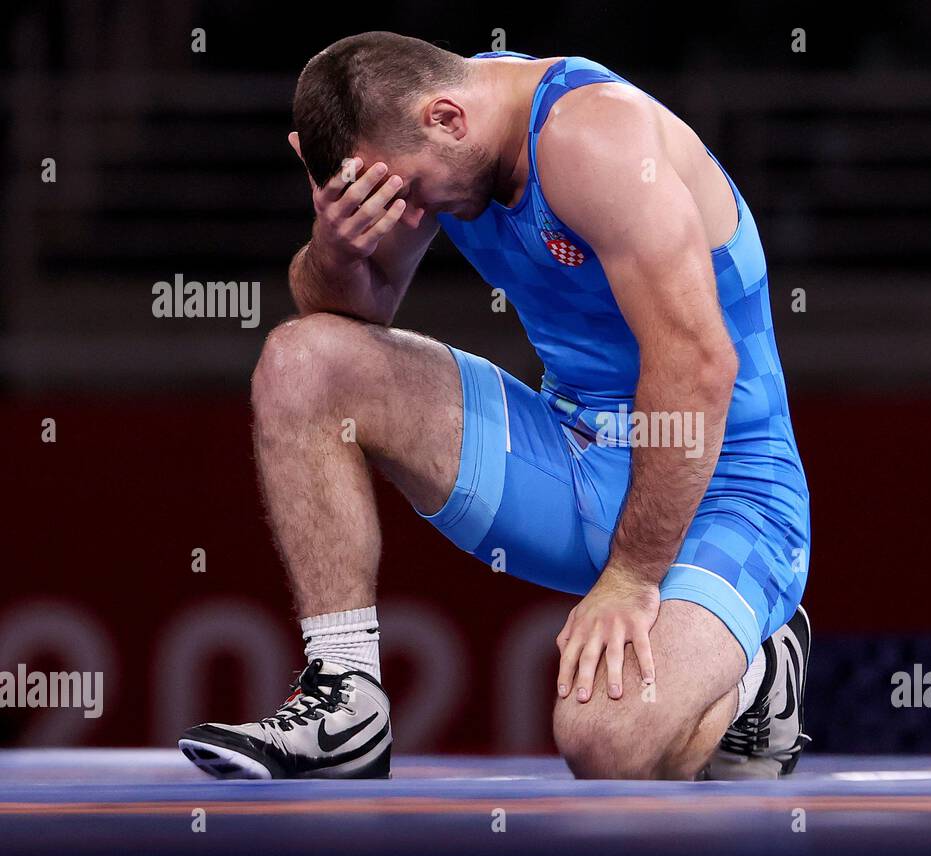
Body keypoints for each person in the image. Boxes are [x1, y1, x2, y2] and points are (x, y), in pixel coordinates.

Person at [178, 32, 811, 781]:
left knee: (605, 742)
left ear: (448, 118)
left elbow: (701, 364)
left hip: (721, 493)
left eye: (404, 192)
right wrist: (336, 248)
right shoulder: (436, 141)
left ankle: (761, 672)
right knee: (302, 359)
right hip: (572, 456)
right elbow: (351, 315)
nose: (404, 214)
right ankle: (346, 698)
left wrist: (634, 577)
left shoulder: (596, 138)